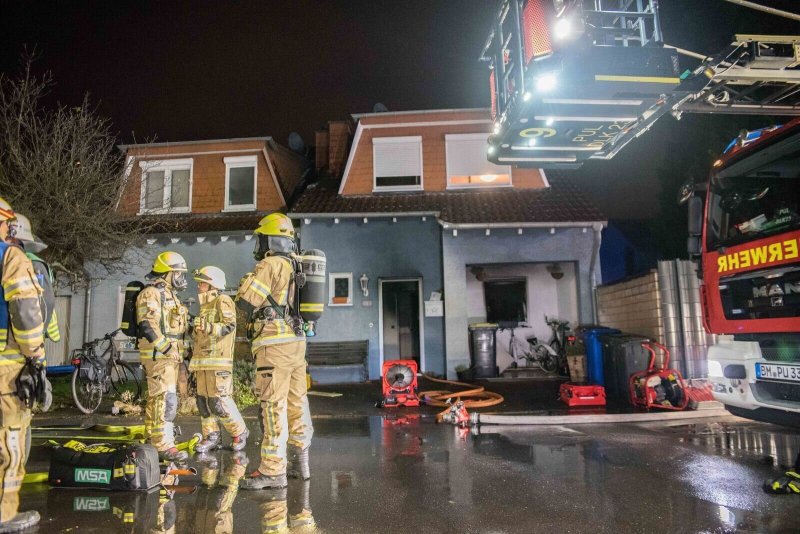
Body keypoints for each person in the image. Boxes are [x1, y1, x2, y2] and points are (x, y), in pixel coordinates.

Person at [237, 212, 313, 490]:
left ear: (269, 239)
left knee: (273, 407)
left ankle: (272, 471)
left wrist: (243, 284)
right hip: (296, 344)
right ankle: (300, 463)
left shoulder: (269, 265)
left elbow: (246, 302)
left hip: (274, 347)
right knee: (297, 404)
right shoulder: (297, 265)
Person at [0, 198, 45, 532]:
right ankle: (5, 514)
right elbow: (26, 314)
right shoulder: (10, 257)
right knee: (11, 440)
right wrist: (36, 359)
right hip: (7, 369)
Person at [136, 251, 190, 462]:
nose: (180, 277)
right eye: (177, 272)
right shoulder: (152, 293)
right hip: (159, 355)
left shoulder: (170, 295)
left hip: (169, 357)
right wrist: (167, 349)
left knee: (157, 398)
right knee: (166, 399)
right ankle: (162, 444)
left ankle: (153, 438)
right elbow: (148, 325)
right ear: (166, 273)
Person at [190, 265, 248, 453]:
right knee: (202, 401)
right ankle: (211, 436)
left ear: (212, 284)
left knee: (219, 402)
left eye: (202, 283)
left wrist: (208, 327)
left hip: (218, 361)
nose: (198, 287)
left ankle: (239, 432)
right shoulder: (204, 305)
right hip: (202, 362)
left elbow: (229, 326)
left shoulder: (222, 300)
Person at [6, 214, 60, 345]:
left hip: (20, 350)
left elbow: (44, 303)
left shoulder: (33, 265)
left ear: (16, 241)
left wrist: (31, 346)